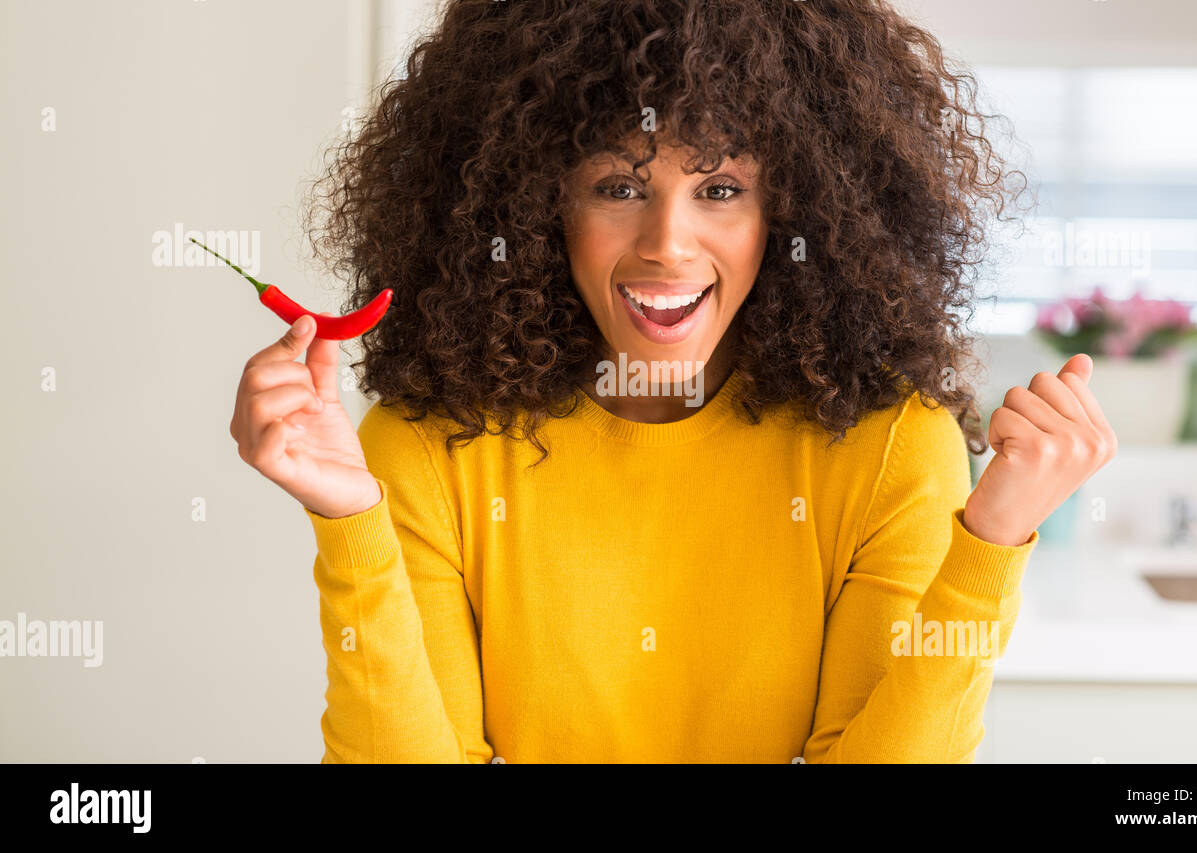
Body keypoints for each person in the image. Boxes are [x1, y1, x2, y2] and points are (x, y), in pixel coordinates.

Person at [230, 0, 1116, 763]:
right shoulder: (430, 442)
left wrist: (991, 539)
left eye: (721, 189)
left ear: (794, 209)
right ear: (539, 205)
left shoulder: (888, 444)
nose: (667, 244)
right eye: (620, 184)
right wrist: (350, 524)